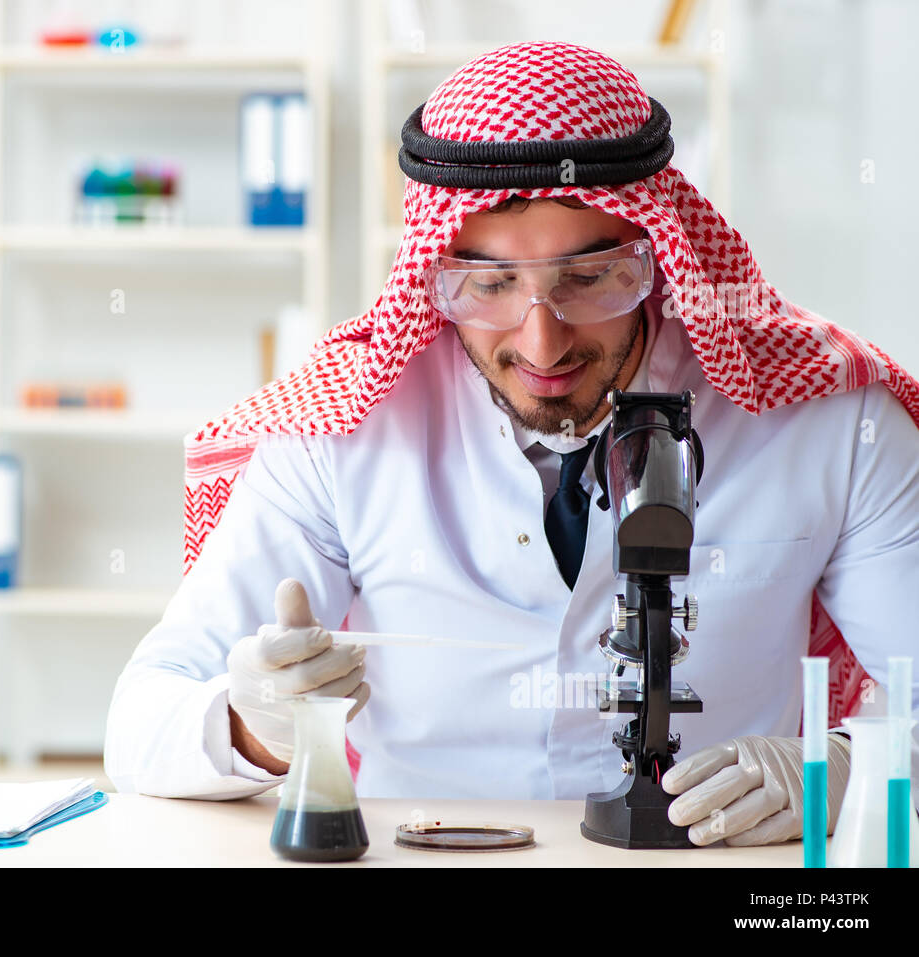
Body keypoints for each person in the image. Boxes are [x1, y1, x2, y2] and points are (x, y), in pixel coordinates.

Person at [104, 42, 919, 846]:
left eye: (591, 277)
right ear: (437, 274)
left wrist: (845, 763)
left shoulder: (831, 420)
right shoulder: (344, 433)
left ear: (659, 260)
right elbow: (139, 720)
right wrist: (255, 726)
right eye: (490, 285)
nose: (542, 342)